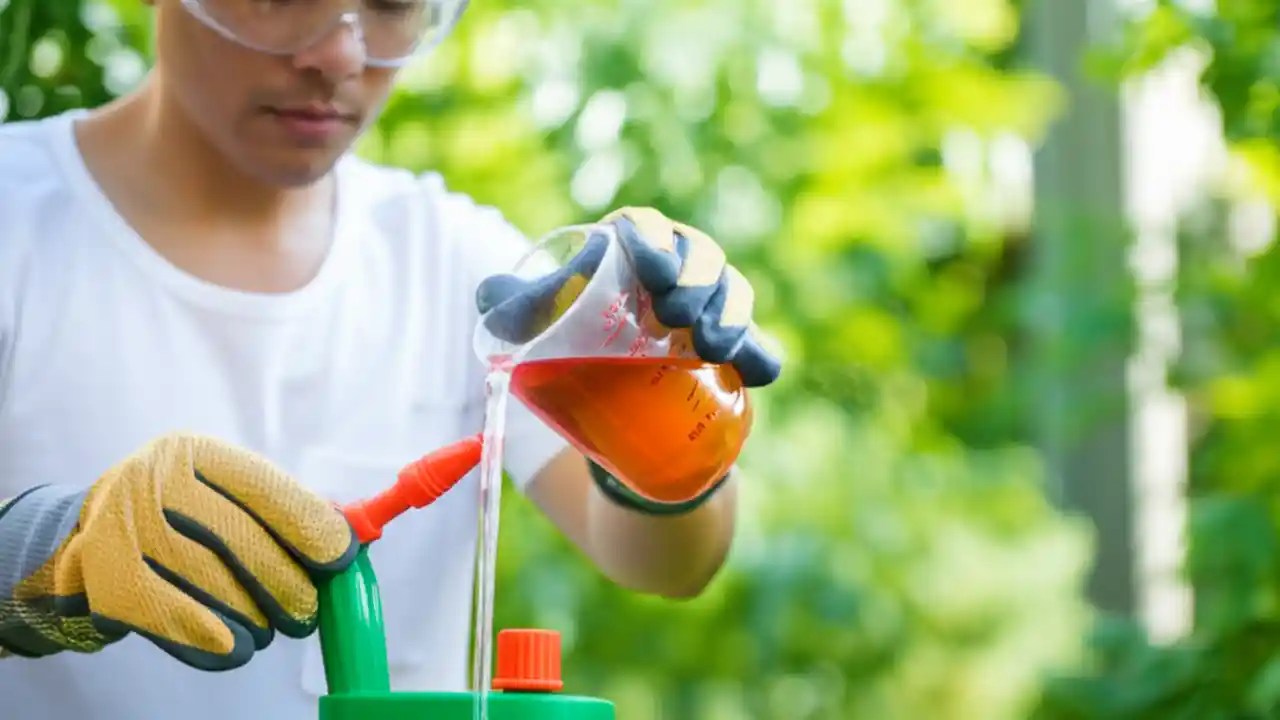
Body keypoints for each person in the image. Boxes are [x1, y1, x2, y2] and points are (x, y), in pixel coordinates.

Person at [0, 1, 780, 718]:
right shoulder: (17, 223)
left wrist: (653, 375)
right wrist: (41, 562)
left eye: (393, 4)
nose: (339, 54)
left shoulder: (459, 268)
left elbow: (669, 565)